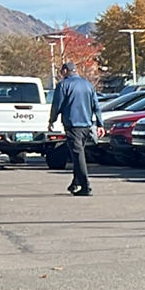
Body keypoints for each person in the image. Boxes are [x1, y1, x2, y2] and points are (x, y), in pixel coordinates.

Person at [47, 62, 103, 196]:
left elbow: (57, 104)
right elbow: (96, 105)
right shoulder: (88, 85)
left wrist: (52, 120)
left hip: (73, 124)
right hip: (86, 124)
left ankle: (85, 186)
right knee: (78, 153)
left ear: (65, 71)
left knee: (78, 155)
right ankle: (76, 182)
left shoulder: (63, 85)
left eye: (61, 72)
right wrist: (100, 124)